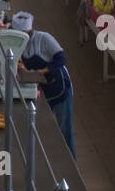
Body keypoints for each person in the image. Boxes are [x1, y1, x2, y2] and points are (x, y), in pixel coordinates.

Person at [11, 12, 74, 157]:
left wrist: (42, 71)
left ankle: (71, 161)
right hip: (43, 86)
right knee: (46, 127)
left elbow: (61, 59)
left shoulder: (44, 38)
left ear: (29, 31)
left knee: (65, 128)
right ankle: (50, 158)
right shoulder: (18, 42)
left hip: (60, 86)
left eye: (24, 35)